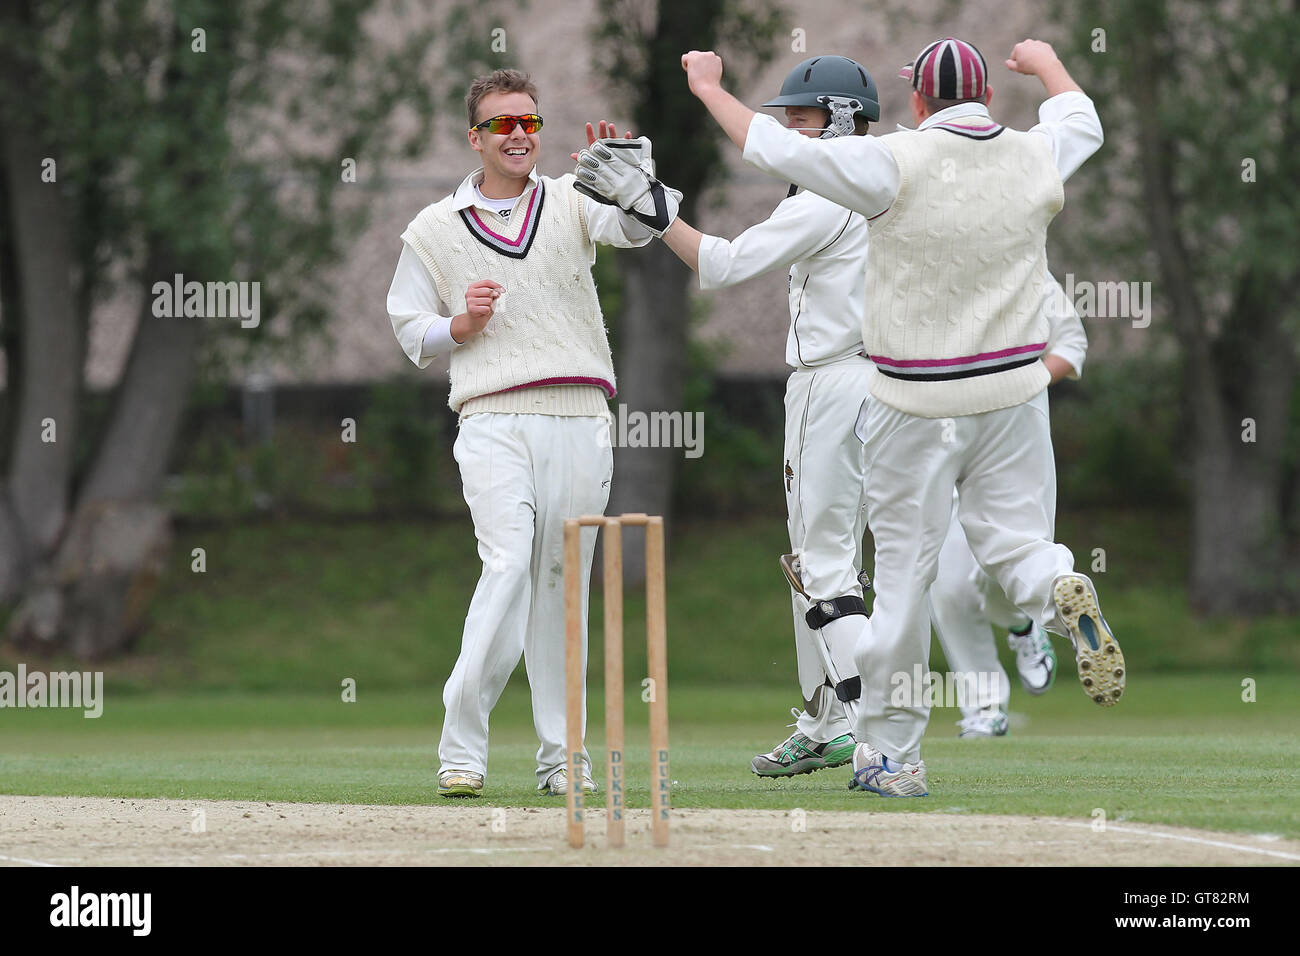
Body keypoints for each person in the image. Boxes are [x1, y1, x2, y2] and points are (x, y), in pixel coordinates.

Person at [678, 37, 1124, 798]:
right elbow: (1082, 117)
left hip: (917, 397)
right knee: (1017, 546)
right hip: (1016, 393)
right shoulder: (1033, 154)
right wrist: (1045, 61)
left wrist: (708, 87)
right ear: (985, 92)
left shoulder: (891, 161)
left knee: (902, 589)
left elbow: (772, 147)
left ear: (918, 102)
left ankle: (891, 756)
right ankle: (1056, 588)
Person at [385, 69, 667, 799]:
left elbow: (638, 230)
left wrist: (635, 182)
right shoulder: (434, 228)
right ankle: (462, 748)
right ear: (473, 136)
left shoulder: (575, 200)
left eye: (530, 123)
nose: (518, 134)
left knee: (562, 584)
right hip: (492, 417)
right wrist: (462, 325)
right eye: (503, 124)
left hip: (579, 413)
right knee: (509, 565)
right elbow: (408, 323)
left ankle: (561, 758)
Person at [653, 55, 879, 778]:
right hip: (898, 383)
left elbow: (719, 265)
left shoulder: (827, 193)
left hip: (831, 384)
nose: (788, 127)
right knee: (839, 561)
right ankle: (825, 720)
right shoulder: (894, 171)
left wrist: (653, 210)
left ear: (839, 116)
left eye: (801, 115)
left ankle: (878, 735)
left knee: (824, 567)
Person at [932, 275, 1087, 737]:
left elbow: (1071, 343)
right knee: (950, 589)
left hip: (1008, 443)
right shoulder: (915, 259)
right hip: (935, 441)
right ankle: (984, 708)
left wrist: (1023, 382)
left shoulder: (1024, 267)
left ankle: (1025, 621)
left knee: (1004, 564)